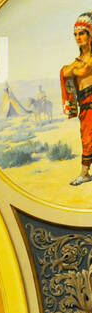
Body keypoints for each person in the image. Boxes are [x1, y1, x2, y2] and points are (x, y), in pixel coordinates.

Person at [60, 12, 92, 186]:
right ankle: (85, 173)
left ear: (90, 34)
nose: (78, 37)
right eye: (75, 34)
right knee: (87, 139)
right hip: (87, 107)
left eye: (82, 33)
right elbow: (65, 74)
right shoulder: (75, 65)